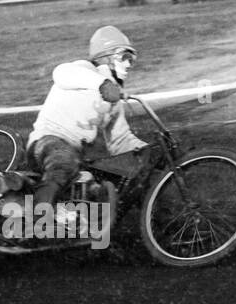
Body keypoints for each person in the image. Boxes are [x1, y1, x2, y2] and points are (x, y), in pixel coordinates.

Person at [25, 26, 149, 225]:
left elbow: (119, 139)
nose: (129, 64)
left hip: (73, 153)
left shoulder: (113, 99)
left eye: (132, 59)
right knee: (64, 162)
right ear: (106, 57)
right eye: (125, 57)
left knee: (107, 185)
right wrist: (103, 84)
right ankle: (35, 219)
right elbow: (61, 73)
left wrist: (143, 150)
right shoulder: (83, 70)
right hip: (46, 143)